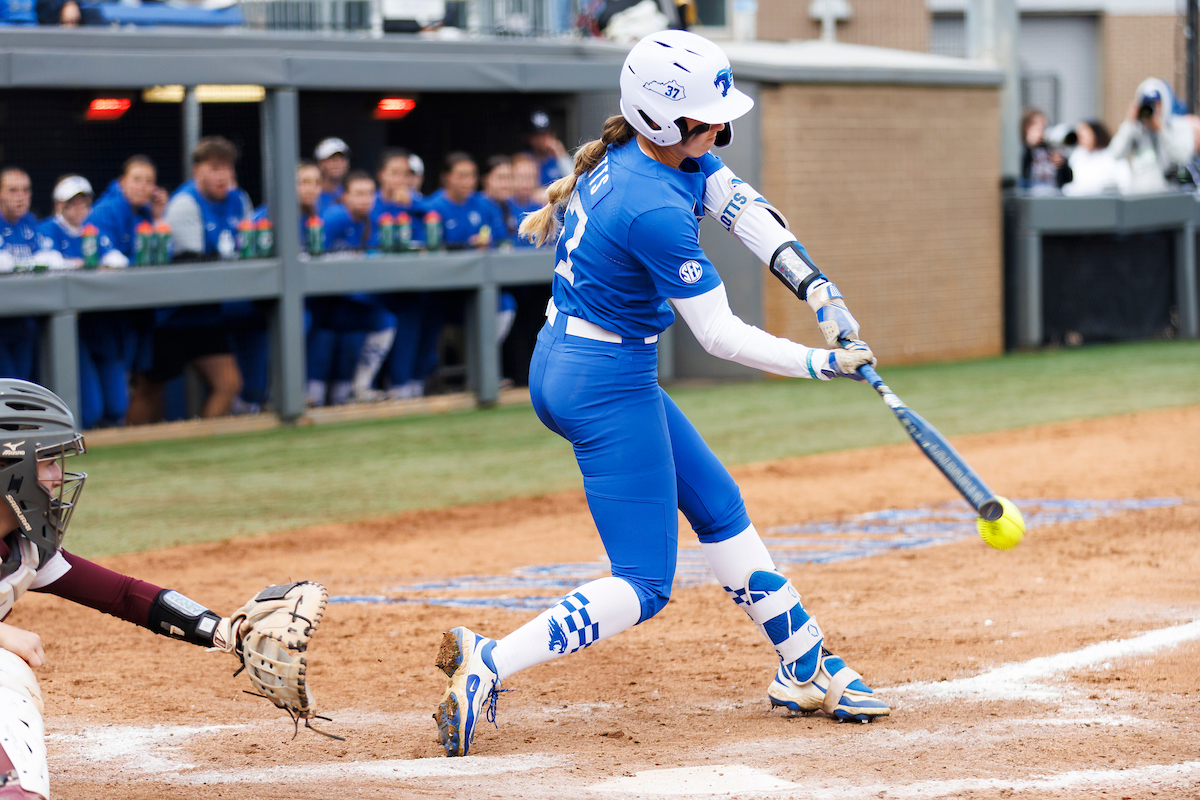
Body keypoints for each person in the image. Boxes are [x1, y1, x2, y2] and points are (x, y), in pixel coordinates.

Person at [432, 30, 886, 759]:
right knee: (644, 582)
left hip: (583, 363)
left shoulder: (660, 156)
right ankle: (491, 660)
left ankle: (804, 665)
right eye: (710, 124)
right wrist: (820, 363)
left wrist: (818, 289)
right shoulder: (651, 207)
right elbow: (719, 335)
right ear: (663, 121)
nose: (720, 135)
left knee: (719, 507)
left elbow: (742, 207)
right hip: (602, 381)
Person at [0, 379, 327, 799]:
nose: (58, 475)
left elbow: (124, 595)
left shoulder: (25, 548)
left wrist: (223, 631)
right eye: (46, 462)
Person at [127, 137, 252, 424]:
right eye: (214, 168)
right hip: (172, 315)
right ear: (198, 171)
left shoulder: (239, 199)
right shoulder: (184, 203)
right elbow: (195, 266)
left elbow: (247, 247)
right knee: (149, 390)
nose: (222, 176)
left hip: (206, 315)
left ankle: (206, 440)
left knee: (228, 384)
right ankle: (130, 441)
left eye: (227, 168)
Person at [37, 176, 133, 430]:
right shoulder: (48, 229)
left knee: (117, 406)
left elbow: (117, 260)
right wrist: (81, 266)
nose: (80, 208)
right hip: (68, 329)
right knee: (90, 410)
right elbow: (48, 263)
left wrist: (99, 266)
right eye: (73, 202)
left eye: (84, 202)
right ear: (60, 204)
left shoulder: (93, 230)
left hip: (100, 322)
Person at [307, 171, 396, 406]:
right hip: (313, 302)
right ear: (345, 196)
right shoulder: (335, 216)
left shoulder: (370, 220)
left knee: (383, 321)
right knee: (305, 329)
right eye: (358, 193)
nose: (365, 199)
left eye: (369, 193)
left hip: (339, 302)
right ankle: (291, 394)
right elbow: (313, 260)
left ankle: (360, 387)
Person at [0, 168, 52, 382]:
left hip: (25, 321)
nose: (20, 197)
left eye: (25, 190)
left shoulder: (29, 222)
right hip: (2, 322)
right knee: (8, 387)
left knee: (23, 385)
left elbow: (47, 259)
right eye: (12, 190)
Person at [1108, 78, 1196, 195]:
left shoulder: (1177, 127)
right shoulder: (1135, 131)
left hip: (1169, 197)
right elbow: (1115, 154)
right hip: (1140, 197)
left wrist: (1161, 130)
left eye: (1156, 104)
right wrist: (1129, 123)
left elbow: (1183, 156)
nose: (1151, 109)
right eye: (1147, 105)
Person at [424, 153, 506, 250]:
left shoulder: (483, 204)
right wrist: (467, 244)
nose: (468, 182)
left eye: (472, 175)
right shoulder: (433, 207)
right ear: (446, 177)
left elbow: (500, 239)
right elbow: (432, 246)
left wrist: (488, 241)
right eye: (462, 176)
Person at [1061, 120, 1128, 197]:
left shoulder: (1112, 155)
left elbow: (1124, 183)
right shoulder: (1077, 156)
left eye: (1083, 136)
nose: (1080, 139)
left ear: (1095, 134)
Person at [1020, 108, 1070, 193]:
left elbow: (1068, 178)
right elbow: (1022, 174)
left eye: (1043, 125)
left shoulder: (1051, 147)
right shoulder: (1024, 150)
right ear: (1027, 128)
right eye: (1037, 124)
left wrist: (1062, 164)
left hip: (1054, 195)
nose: (1041, 128)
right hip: (1032, 196)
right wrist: (1030, 146)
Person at [526, 110, 573, 188]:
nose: (545, 138)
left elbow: (574, 181)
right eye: (539, 135)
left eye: (548, 133)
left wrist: (562, 156)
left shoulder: (557, 158)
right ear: (530, 137)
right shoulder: (524, 159)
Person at [508, 153, 545, 248]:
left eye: (532, 177)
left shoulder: (543, 207)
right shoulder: (501, 206)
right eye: (522, 177)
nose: (526, 183)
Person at [314, 137, 351, 214]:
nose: (337, 163)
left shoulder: (350, 193)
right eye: (332, 159)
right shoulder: (312, 194)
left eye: (342, 159)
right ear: (320, 163)